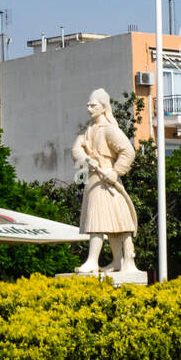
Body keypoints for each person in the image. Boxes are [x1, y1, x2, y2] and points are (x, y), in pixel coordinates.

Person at [71, 88, 139, 275]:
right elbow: (76, 149)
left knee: (100, 222)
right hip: (94, 180)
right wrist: (85, 158)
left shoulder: (110, 130)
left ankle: (93, 261)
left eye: (93, 105)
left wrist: (116, 172)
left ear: (103, 107)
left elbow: (128, 151)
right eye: (88, 105)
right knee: (111, 224)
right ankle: (116, 262)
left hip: (106, 182)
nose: (89, 108)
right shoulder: (89, 131)